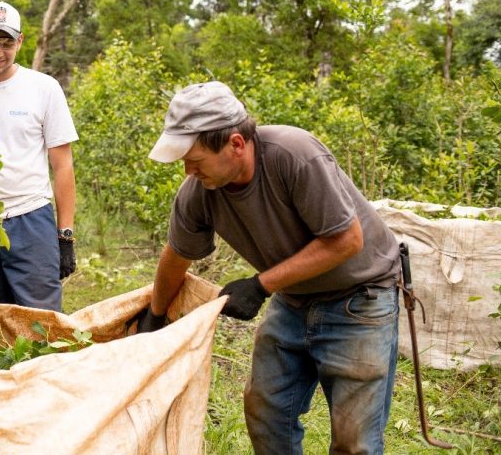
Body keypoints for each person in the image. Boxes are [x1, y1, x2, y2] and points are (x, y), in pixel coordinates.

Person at [137, 81, 400, 455]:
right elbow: (177, 256)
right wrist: (155, 315)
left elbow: (346, 240)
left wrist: (260, 285)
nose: (187, 171)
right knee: (267, 412)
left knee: (355, 439)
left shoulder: (294, 155)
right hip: (293, 300)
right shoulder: (198, 192)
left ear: (236, 144)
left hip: (360, 299)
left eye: (194, 160)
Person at [0, 1, 78, 311]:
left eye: (7, 43)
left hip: (30, 218)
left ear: (19, 42)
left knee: (42, 322)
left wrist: (65, 237)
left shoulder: (44, 88)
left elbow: (62, 165)